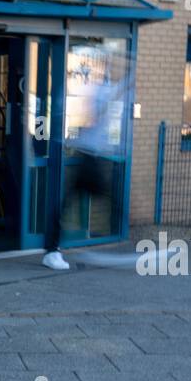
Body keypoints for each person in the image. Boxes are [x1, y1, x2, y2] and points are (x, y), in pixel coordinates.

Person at [43, 46, 132, 271]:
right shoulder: (99, 90)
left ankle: (52, 250)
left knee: (86, 200)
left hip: (94, 157)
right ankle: (52, 251)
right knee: (102, 199)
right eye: (118, 64)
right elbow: (95, 115)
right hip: (87, 157)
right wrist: (125, 85)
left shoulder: (111, 89)